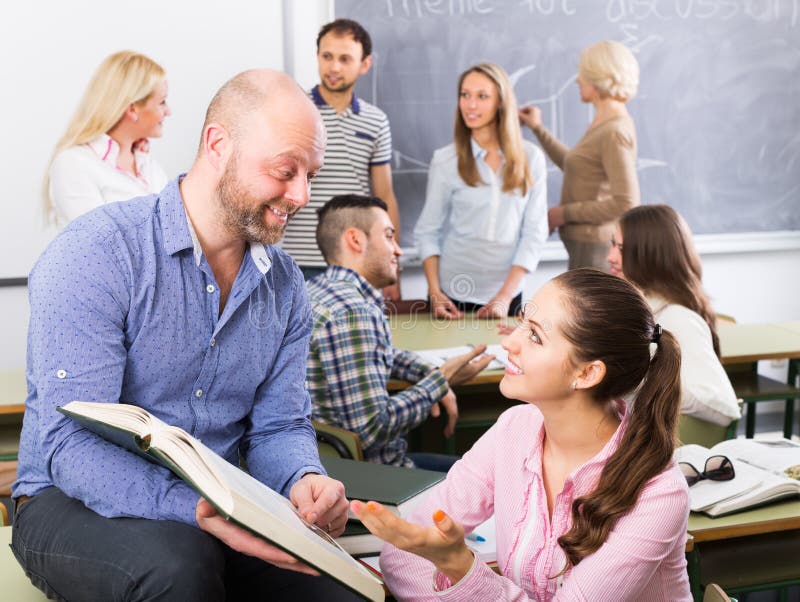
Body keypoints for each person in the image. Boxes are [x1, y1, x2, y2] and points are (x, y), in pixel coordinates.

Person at [12, 69, 361, 601]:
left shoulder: (287, 285)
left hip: (220, 505)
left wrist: (302, 479)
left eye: (310, 174)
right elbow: (70, 444)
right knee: (181, 566)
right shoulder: (96, 254)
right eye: (285, 170)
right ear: (217, 144)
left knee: (342, 590)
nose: (301, 195)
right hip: (67, 500)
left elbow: (278, 427)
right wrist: (197, 510)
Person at [352, 269, 692, 600]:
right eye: (521, 322)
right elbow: (404, 553)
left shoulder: (658, 495)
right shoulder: (516, 429)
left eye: (535, 335)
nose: (509, 341)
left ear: (587, 373)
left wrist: (459, 568)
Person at [307, 194, 494, 472]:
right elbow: (372, 430)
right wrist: (441, 381)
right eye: (389, 236)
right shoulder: (353, 311)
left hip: (333, 469)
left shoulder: (318, 290)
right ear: (356, 240)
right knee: (489, 480)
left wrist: (430, 371)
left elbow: (379, 354)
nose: (399, 250)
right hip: (379, 479)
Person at [415, 62, 548, 320]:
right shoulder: (445, 160)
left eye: (481, 96)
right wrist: (434, 292)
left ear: (501, 102)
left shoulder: (531, 159)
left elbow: (534, 233)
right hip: (451, 296)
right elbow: (427, 231)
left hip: (507, 296)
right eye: (465, 95)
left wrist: (504, 297)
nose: (470, 105)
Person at [283, 18, 402, 301]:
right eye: (327, 56)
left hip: (358, 257)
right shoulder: (294, 110)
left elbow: (384, 194)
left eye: (345, 59)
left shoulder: (376, 120)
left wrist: (389, 258)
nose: (334, 67)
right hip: (301, 258)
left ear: (364, 64)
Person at [609, 204, 740, 426]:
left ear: (649, 256)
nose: (610, 256)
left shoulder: (677, 319)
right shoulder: (640, 309)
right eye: (612, 245)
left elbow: (723, 407)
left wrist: (633, 379)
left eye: (621, 249)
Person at [519, 40, 641, 270]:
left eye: (582, 73)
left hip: (594, 251)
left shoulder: (614, 131)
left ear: (598, 78)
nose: (577, 80)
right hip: (585, 247)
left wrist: (563, 214)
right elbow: (576, 166)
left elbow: (627, 202)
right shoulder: (604, 123)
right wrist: (538, 128)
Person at [44, 50, 171, 228]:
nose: (168, 112)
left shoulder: (150, 167)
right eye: (162, 102)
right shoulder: (73, 164)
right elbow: (98, 244)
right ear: (133, 109)